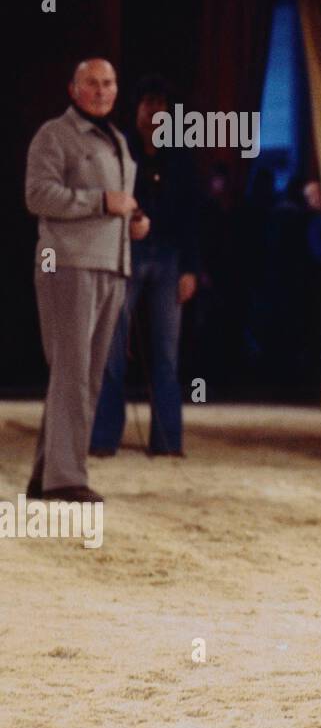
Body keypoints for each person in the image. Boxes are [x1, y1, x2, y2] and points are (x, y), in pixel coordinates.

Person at [25, 59, 149, 501]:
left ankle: (47, 474)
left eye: (109, 83)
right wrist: (101, 203)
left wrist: (131, 221)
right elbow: (37, 194)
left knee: (85, 375)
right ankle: (66, 479)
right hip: (69, 265)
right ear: (74, 89)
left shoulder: (115, 137)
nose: (102, 90)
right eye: (92, 83)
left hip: (112, 264)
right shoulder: (54, 135)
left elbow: (114, 204)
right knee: (72, 373)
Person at [90, 78, 200, 459]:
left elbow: (193, 217)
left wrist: (191, 269)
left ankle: (167, 440)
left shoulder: (182, 159)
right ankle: (104, 437)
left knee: (166, 353)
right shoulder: (121, 151)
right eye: (147, 104)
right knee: (112, 348)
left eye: (160, 105)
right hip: (127, 255)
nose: (153, 112)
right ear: (136, 111)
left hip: (169, 259)